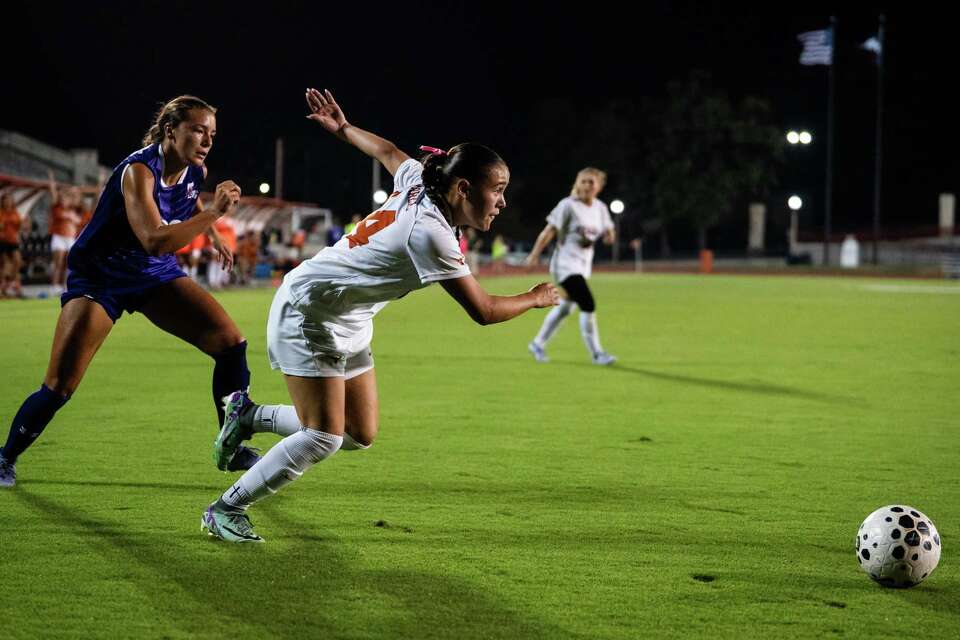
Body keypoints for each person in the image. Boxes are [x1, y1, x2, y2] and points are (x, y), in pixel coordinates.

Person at [199, 88, 560, 542]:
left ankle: (248, 415)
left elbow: (388, 152)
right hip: (310, 311)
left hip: (347, 316)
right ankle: (225, 508)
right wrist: (535, 296)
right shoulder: (430, 234)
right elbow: (484, 311)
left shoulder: (422, 181)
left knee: (359, 433)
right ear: (464, 188)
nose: (503, 202)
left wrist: (345, 128)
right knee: (323, 437)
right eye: (499, 190)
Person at [0, 96, 261, 488]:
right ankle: (5, 458)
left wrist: (210, 233)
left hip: (152, 274)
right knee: (60, 386)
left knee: (231, 344)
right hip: (101, 277)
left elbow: (186, 204)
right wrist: (215, 216)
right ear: (171, 130)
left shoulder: (195, 170)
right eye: (197, 130)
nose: (207, 140)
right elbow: (155, 239)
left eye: (212, 133)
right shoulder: (138, 171)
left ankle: (231, 444)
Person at [524, 167, 617, 365]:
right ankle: (597, 354)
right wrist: (534, 254)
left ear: (599, 186)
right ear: (577, 184)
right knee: (588, 303)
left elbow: (609, 233)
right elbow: (549, 231)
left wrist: (609, 237)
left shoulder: (600, 208)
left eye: (591, 181)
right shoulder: (568, 205)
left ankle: (537, 343)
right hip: (564, 265)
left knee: (566, 308)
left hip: (583, 267)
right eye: (583, 181)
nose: (587, 185)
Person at [47, 172, 83, 295]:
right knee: (58, 263)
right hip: (59, 237)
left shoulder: (74, 209)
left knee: (69, 264)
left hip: (70, 238)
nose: (64, 200)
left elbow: (77, 195)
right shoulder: (56, 207)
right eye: (62, 198)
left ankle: (65, 286)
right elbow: (53, 194)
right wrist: (52, 181)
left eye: (66, 198)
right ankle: (54, 286)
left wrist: (74, 190)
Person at [0, 193, 24, 298]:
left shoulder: (15, 212)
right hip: (2, 240)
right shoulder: (1, 213)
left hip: (13, 240)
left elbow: (19, 225)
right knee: (5, 263)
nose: (8, 202)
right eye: (6, 200)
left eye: (10, 199)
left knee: (17, 261)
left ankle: (10, 282)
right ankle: (4, 286)